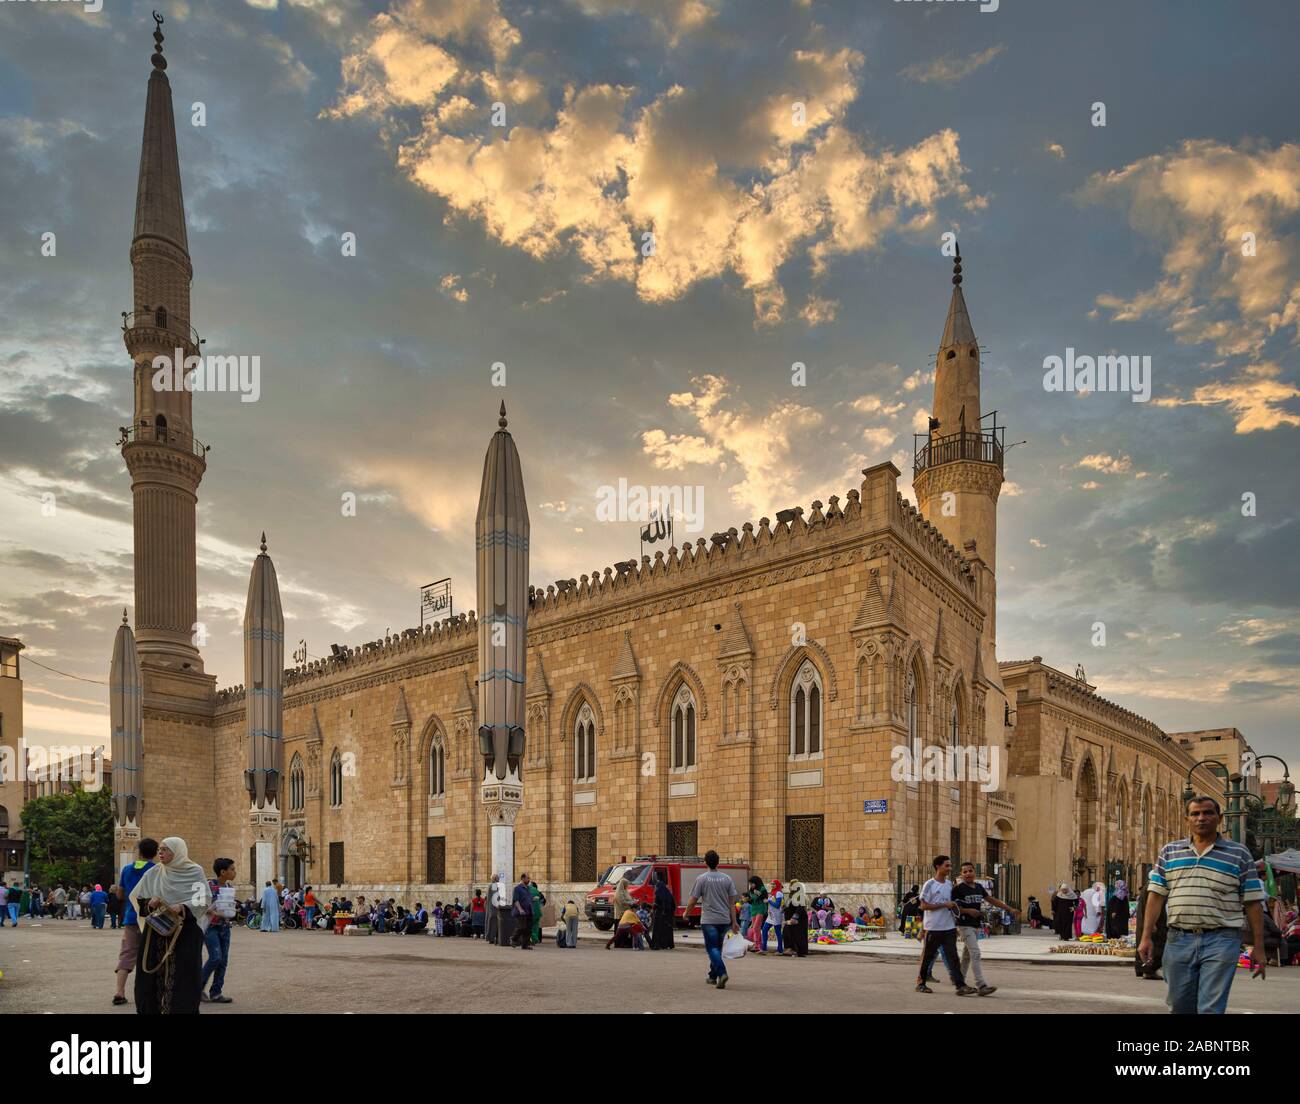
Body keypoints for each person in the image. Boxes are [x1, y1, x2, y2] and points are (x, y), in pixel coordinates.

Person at [1140, 795, 1266, 1015]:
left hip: (1222, 939)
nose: (1201, 818)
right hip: (1178, 939)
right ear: (1186, 819)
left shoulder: (1239, 854)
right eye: (1195, 813)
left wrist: (1259, 946)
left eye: (1208, 813)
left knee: (1210, 1008)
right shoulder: (1170, 852)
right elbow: (1156, 896)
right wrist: (1145, 936)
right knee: (1179, 1006)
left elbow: (1253, 902)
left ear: (1220, 818)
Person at [130, 836, 211, 1015]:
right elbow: (139, 900)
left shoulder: (194, 872)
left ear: (178, 851)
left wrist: (183, 907)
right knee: (150, 978)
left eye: (166, 849)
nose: (161, 852)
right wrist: (149, 904)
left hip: (185, 932)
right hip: (156, 932)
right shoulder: (153, 873)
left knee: (184, 976)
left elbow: (203, 899)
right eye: (160, 849)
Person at [952, 861, 1019, 997]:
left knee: (966, 956)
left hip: (976, 925)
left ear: (974, 872)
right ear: (961, 874)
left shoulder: (978, 887)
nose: (968, 874)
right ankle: (981, 985)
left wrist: (1010, 909)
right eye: (965, 872)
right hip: (964, 925)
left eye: (970, 871)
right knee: (975, 953)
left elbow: (992, 900)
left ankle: (959, 983)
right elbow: (953, 907)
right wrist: (967, 910)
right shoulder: (958, 889)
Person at [915, 855, 976, 996]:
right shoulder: (929, 884)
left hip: (948, 928)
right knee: (928, 957)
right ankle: (921, 983)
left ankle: (960, 986)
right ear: (938, 867)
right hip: (933, 928)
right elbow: (923, 906)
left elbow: (952, 904)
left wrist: (955, 912)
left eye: (950, 865)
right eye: (946, 866)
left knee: (953, 957)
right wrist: (944, 905)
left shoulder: (949, 884)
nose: (949, 868)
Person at [681, 850, 740, 989]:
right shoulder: (727, 879)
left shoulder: (702, 878)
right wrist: (735, 921)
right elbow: (732, 903)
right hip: (724, 920)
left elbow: (693, 900)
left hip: (709, 920)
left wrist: (686, 913)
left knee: (712, 949)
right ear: (718, 862)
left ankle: (722, 973)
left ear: (705, 862)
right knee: (718, 949)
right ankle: (712, 976)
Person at [113, 837, 158, 1006]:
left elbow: (120, 894)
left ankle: (119, 991)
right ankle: (150, 992)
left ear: (139, 851)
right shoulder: (157, 870)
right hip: (152, 920)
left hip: (131, 918)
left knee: (127, 954)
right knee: (152, 955)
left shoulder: (127, 869)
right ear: (155, 853)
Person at [200, 857, 237, 1004]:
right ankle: (197, 988)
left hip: (224, 928)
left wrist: (230, 912)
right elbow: (201, 906)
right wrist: (216, 913)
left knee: (223, 961)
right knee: (215, 957)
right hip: (211, 927)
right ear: (223, 872)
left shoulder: (229, 888)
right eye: (232, 869)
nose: (235, 872)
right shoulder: (208, 886)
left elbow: (228, 908)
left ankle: (216, 993)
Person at [1134, 886, 1168, 981]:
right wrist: (1152, 923)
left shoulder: (1150, 888)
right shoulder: (1154, 889)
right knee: (1155, 944)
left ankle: (1144, 968)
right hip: (1153, 922)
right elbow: (1152, 905)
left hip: (1148, 922)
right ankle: (1149, 970)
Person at [783, 879, 809, 957]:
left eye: (792, 885)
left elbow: (800, 907)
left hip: (799, 919)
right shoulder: (791, 895)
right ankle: (790, 948)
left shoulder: (800, 895)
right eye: (790, 885)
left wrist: (794, 918)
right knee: (787, 931)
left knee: (798, 934)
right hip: (790, 918)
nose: (790, 887)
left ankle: (798, 950)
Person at [650, 871, 676, 950]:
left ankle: (657, 945)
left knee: (658, 930)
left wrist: (652, 909)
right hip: (668, 916)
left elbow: (656, 904)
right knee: (667, 930)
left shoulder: (658, 892)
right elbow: (673, 905)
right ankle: (668, 944)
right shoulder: (668, 893)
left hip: (659, 915)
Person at [762, 879, 785, 955]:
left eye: (774, 884)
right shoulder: (772, 892)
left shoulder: (779, 893)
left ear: (777, 885)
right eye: (771, 884)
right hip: (771, 915)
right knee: (764, 930)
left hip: (777, 915)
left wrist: (769, 901)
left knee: (778, 932)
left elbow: (777, 905)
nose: (772, 885)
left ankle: (780, 950)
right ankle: (764, 948)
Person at [511, 874, 534, 949]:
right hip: (521, 912)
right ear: (523, 878)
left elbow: (528, 899)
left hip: (529, 911)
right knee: (521, 927)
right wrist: (520, 909)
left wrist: (533, 900)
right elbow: (516, 900)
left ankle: (525, 945)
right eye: (528, 878)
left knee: (528, 929)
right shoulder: (517, 888)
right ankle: (513, 939)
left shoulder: (528, 888)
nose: (529, 879)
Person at [745, 877, 767, 952]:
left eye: (752, 883)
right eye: (750, 884)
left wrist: (758, 893)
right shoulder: (751, 890)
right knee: (755, 929)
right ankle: (757, 945)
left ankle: (757, 945)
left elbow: (765, 898)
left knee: (755, 927)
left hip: (760, 909)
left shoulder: (762, 888)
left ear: (756, 882)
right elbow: (751, 900)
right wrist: (748, 900)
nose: (751, 885)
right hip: (753, 910)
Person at [486, 874, 502, 944]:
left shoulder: (491, 885)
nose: (499, 879)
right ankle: (492, 938)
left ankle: (490, 937)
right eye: (498, 878)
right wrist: (498, 905)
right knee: (493, 923)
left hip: (490, 907)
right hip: (494, 908)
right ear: (495, 879)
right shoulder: (494, 885)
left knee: (491, 923)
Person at [529, 879, 546, 944]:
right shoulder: (539, 893)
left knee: (530, 926)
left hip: (532, 912)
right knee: (537, 927)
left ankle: (533, 939)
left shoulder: (530, 891)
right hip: (538, 912)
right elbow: (543, 901)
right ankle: (537, 939)